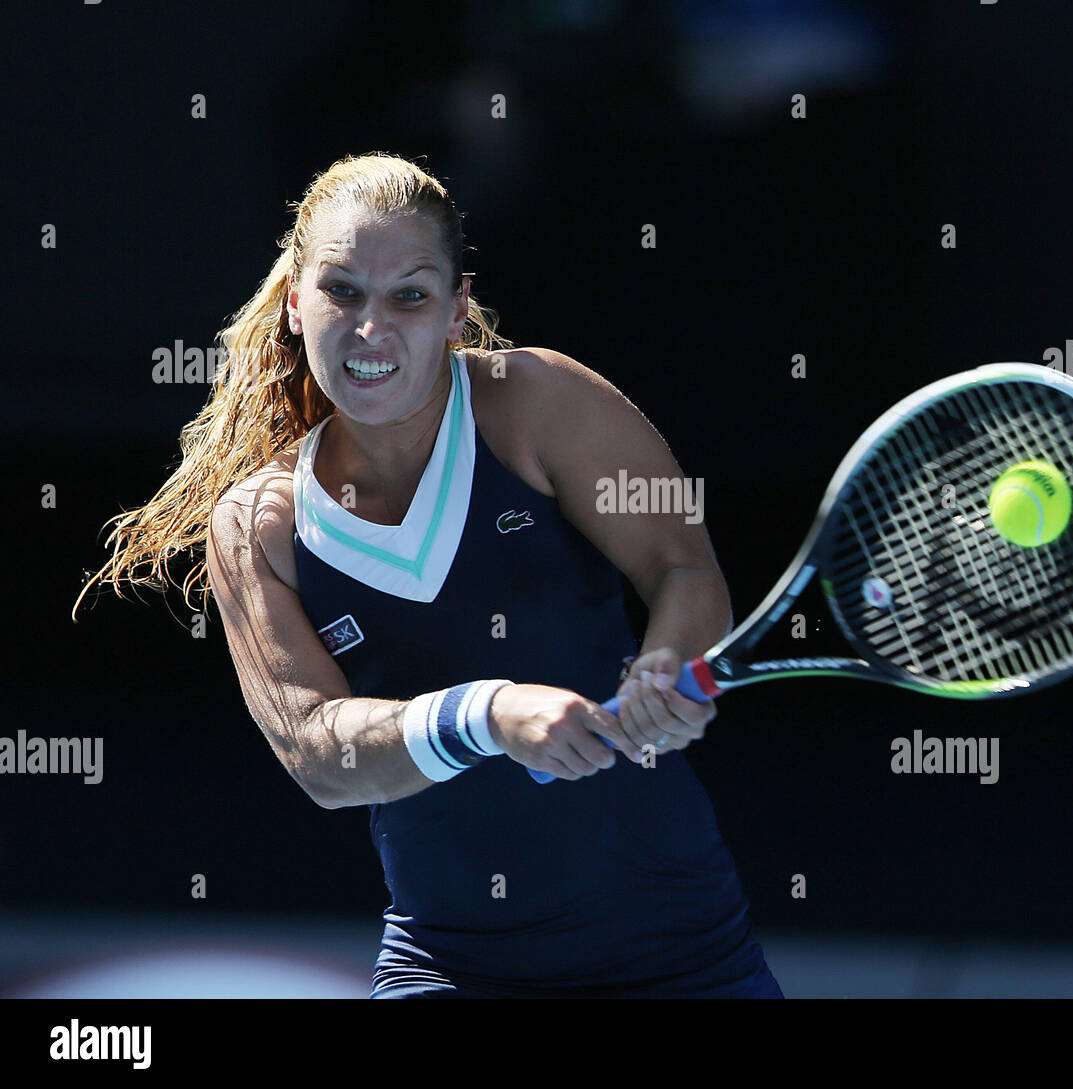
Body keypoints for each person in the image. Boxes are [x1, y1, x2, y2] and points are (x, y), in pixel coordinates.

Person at [75, 152, 783, 998]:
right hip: (450, 970)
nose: (371, 329)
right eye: (342, 291)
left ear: (457, 310)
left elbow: (682, 567)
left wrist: (668, 667)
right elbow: (317, 753)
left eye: (409, 296)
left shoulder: (536, 402)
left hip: (686, 955)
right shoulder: (257, 525)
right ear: (296, 302)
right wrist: (489, 713)